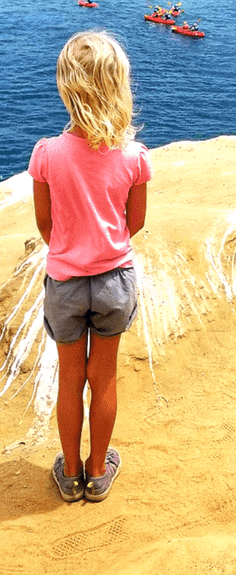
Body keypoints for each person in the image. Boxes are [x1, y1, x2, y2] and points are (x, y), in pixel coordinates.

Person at [28, 30, 152, 503]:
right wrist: (103, 247)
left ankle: (71, 470)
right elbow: (134, 223)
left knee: (70, 378)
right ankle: (99, 472)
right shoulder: (134, 156)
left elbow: (45, 223)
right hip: (114, 280)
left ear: (66, 87)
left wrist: (71, 249)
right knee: (104, 377)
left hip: (64, 282)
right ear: (120, 85)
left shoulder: (46, 154)